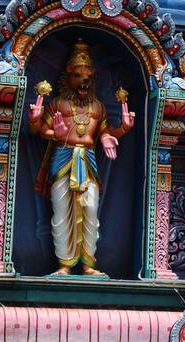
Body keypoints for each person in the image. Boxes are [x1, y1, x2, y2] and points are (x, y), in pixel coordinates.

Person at [30, 40, 134, 276]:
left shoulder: (97, 107)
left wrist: (121, 130)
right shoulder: (58, 103)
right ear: (68, 75)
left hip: (88, 161)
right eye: (78, 75)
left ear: (93, 76)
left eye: (87, 76)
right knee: (61, 211)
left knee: (90, 211)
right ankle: (64, 265)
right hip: (63, 159)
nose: (83, 80)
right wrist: (46, 128)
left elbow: (105, 132)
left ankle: (88, 264)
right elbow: (39, 131)